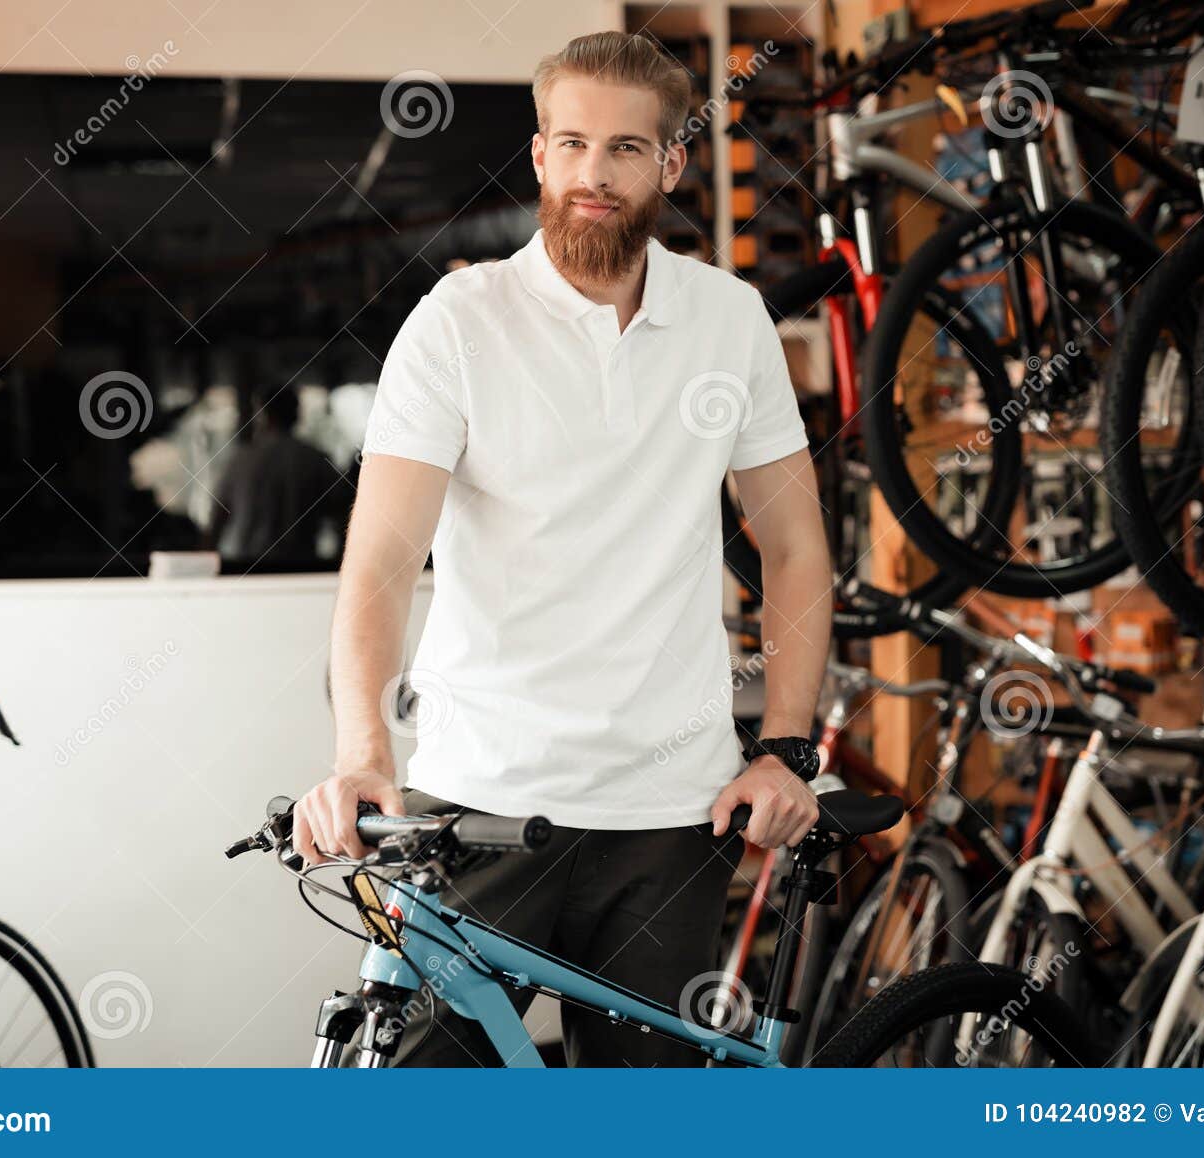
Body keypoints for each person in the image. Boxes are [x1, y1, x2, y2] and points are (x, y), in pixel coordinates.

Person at [294, 30, 832, 1066]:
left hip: (672, 815)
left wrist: (789, 746)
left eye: (627, 149)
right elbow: (381, 562)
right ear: (539, 155)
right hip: (480, 803)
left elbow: (797, 549)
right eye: (573, 143)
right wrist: (363, 752)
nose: (595, 173)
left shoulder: (729, 320)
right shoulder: (460, 321)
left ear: (671, 164)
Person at [208, 385, 339, 568]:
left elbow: (218, 518)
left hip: (248, 565)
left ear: (264, 414)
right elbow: (342, 513)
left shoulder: (243, 459)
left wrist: (205, 562)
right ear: (296, 414)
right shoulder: (316, 460)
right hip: (302, 567)